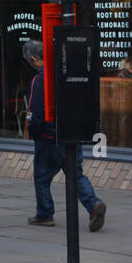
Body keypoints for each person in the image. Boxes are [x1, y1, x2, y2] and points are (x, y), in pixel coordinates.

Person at [22, 40, 106, 230]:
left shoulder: (40, 80)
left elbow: (36, 112)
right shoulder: (64, 72)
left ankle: (44, 214)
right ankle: (93, 205)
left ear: (34, 59)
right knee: (76, 175)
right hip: (72, 133)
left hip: (48, 137)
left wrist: (34, 133)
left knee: (42, 178)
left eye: (29, 61)